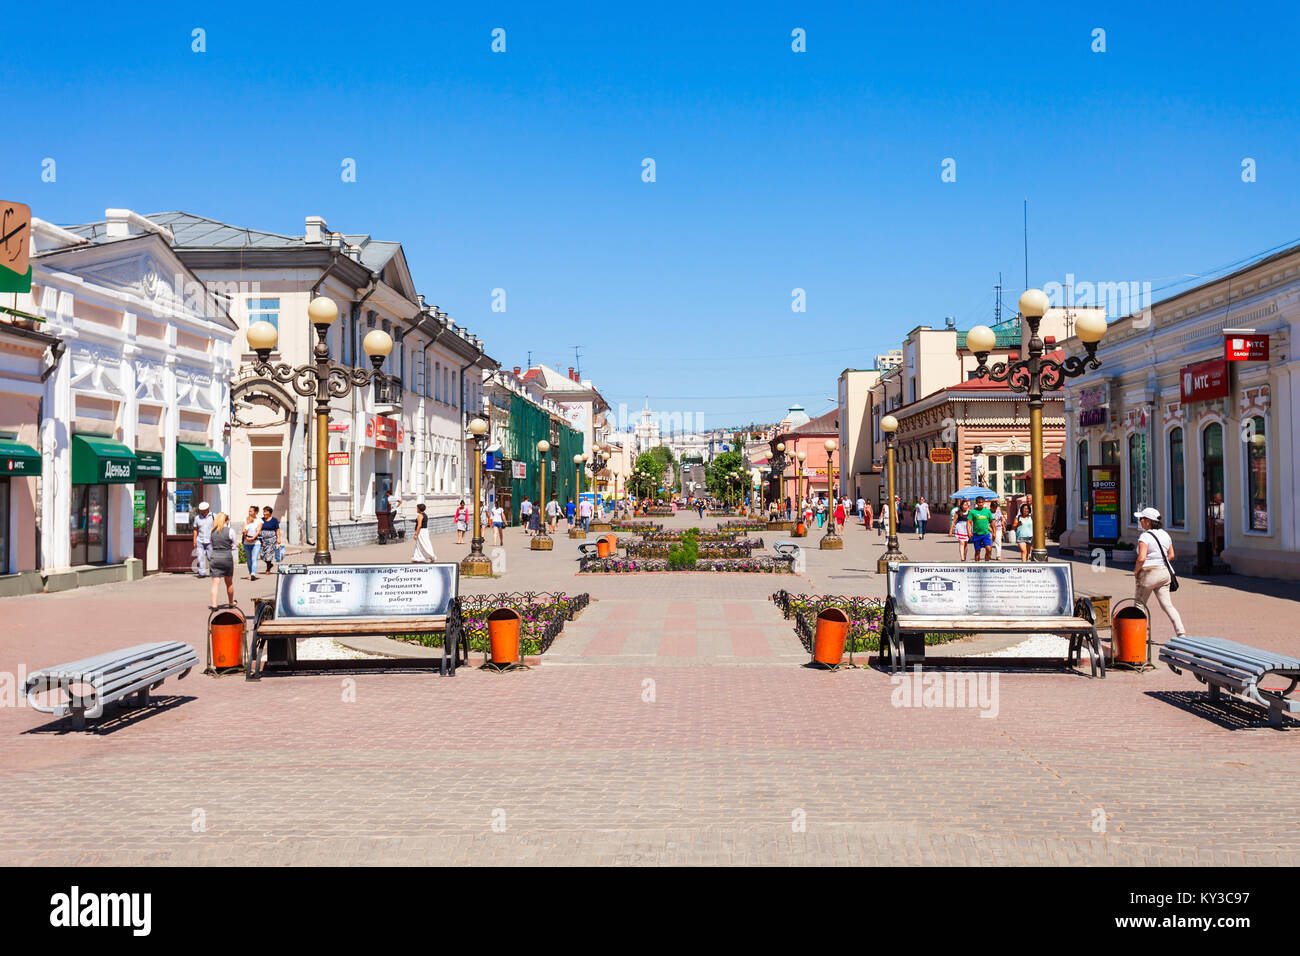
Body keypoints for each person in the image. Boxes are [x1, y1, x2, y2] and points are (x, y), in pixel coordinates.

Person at [1134, 507, 1186, 637]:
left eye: (1141, 519)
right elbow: (1171, 555)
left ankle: (1140, 636)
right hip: (1164, 573)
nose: (1140, 521)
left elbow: (1141, 558)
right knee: (1167, 605)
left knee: (1139, 606)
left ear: (1148, 521)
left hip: (1148, 573)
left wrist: (1136, 571)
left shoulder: (1144, 536)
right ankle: (1181, 633)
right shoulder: (1165, 534)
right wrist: (1159, 562)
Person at [208, 512, 236, 609]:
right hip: (226, 557)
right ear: (226, 520)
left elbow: (211, 544)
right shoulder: (230, 531)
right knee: (229, 582)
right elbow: (234, 545)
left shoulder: (212, 531)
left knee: (215, 583)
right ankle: (231, 602)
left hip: (215, 557)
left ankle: (214, 604)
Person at [968, 496, 994, 561]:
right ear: (976, 503)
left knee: (989, 549)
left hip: (986, 534)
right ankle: (977, 566)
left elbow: (992, 522)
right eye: (979, 502)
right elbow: (969, 522)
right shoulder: (972, 512)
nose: (980, 504)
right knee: (977, 551)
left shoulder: (987, 511)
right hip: (976, 534)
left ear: (984, 503)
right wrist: (968, 532)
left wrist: (994, 532)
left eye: (982, 502)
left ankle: (986, 563)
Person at [192, 501, 214, 578]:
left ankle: (213, 572)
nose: (202, 512)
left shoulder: (213, 516)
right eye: (201, 510)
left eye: (204, 510)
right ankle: (202, 573)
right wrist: (194, 540)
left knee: (210, 557)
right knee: (200, 557)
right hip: (200, 540)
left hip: (210, 541)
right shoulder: (197, 518)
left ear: (208, 509)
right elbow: (195, 529)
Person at [242, 506, 263, 581]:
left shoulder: (259, 520)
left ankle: (253, 573)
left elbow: (258, 531)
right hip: (246, 542)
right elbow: (244, 530)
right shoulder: (246, 519)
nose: (249, 512)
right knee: (249, 559)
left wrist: (253, 538)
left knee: (254, 558)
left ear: (255, 512)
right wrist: (246, 537)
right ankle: (251, 574)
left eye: (251, 511)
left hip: (256, 543)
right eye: (249, 511)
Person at [259, 505, 282, 574]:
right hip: (263, 539)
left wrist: (278, 538)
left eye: (266, 512)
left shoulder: (274, 520)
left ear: (270, 513)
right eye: (264, 512)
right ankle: (270, 564)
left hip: (272, 539)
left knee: (268, 553)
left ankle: (268, 569)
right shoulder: (261, 520)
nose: (264, 513)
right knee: (262, 555)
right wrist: (260, 539)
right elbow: (259, 530)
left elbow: (277, 530)